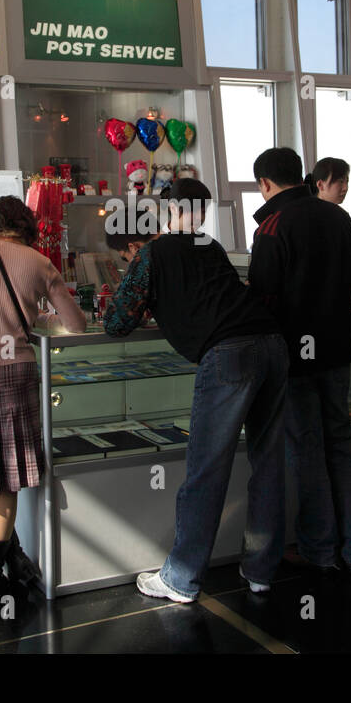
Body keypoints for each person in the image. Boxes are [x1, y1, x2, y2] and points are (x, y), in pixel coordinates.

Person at [102, 180, 288, 602]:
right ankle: (260, 571)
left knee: (206, 468)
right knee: (269, 463)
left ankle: (181, 578)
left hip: (229, 354)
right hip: (273, 345)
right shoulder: (212, 246)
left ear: (167, 208)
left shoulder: (153, 253)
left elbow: (117, 322)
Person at [0, 196, 87, 601]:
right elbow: (76, 325)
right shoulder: (39, 263)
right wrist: (39, 316)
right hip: (13, 374)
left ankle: (8, 558)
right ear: (27, 226)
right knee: (7, 473)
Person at [250, 147, 351, 575]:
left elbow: (261, 297)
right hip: (339, 351)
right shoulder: (338, 217)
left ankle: (320, 549)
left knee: (305, 451)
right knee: (338, 446)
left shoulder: (272, 226)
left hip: (296, 359)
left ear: (264, 184)